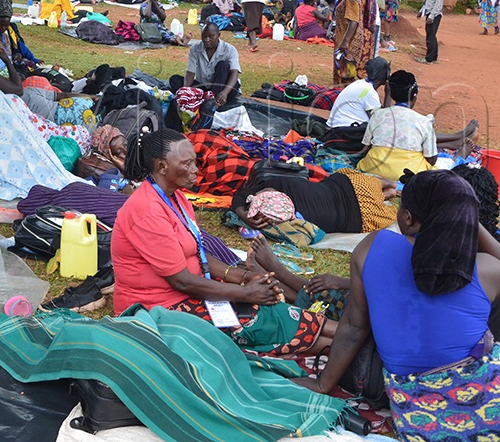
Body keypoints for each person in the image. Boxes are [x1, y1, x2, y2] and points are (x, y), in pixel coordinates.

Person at [294, 170, 500, 442]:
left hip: (417, 413)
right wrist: (472, 225)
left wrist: (323, 383)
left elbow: (353, 326)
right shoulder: (487, 270)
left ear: (407, 217)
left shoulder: (371, 248)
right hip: (492, 409)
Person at [112, 129, 335, 355]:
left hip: (187, 293)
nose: (195, 170)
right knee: (255, 320)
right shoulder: (147, 210)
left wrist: (244, 277)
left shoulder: (175, 197)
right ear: (161, 167)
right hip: (158, 310)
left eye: (195, 162)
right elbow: (181, 281)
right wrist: (245, 292)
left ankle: (345, 340)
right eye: (187, 164)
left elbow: (197, 251)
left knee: (266, 308)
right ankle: (341, 345)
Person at [232, 167, 397, 235]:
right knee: (385, 190)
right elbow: (239, 197)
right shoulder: (282, 214)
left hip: (351, 197)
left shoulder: (273, 184)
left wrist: (243, 213)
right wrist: (244, 214)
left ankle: (390, 190)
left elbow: (239, 197)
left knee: (386, 188)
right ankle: (390, 191)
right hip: (356, 213)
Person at [356, 70, 439, 180]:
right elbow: (431, 159)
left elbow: (365, 146)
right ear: (414, 97)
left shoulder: (377, 114)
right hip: (407, 175)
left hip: (373, 170)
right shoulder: (424, 122)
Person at [332, 0, 377, 85]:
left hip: (351, 37)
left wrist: (345, 41)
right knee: (361, 71)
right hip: (366, 37)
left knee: (346, 71)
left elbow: (353, 20)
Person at [184, 23, 241, 108]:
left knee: (223, 65)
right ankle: (208, 98)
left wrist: (224, 92)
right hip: (205, 86)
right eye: (204, 37)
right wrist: (185, 91)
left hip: (225, 88)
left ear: (218, 35)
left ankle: (215, 101)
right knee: (175, 80)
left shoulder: (229, 49)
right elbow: (190, 73)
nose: (207, 40)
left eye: (211, 37)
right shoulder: (195, 49)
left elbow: (234, 73)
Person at [326, 57, 390, 128]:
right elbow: (382, 122)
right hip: (345, 131)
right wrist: (388, 93)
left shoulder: (361, 84)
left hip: (339, 127)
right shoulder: (369, 92)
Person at [0, 0, 40, 66]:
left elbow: (18, 47)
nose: (3, 28)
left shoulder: (8, 33)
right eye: (1, 24)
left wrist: (16, 56)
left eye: (6, 25)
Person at [418, 0, 445, 64]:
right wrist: (422, 11)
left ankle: (428, 58)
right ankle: (434, 57)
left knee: (430, 36)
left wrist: (431, 16)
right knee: (431, 35)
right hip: (428, 11)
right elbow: (427, 0)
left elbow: (438, 3)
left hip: (435, 14)